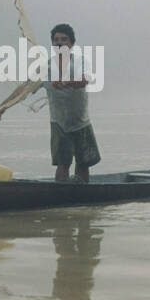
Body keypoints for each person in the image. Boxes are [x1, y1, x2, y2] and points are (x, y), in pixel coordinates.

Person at [44, 23, 101, 182]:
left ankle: (82, 199)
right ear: (53, 44)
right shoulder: (45, 67)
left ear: (72, 43)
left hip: (80, 122)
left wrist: (65, 81)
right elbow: (24, 89)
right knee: (63, 164)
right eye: (56, 40)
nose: (59, 43)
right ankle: (61, 196)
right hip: (59, 123)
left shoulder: (81, 62)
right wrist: (2, 107)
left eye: (64, 39)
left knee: (83, 163)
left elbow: (84, 80)